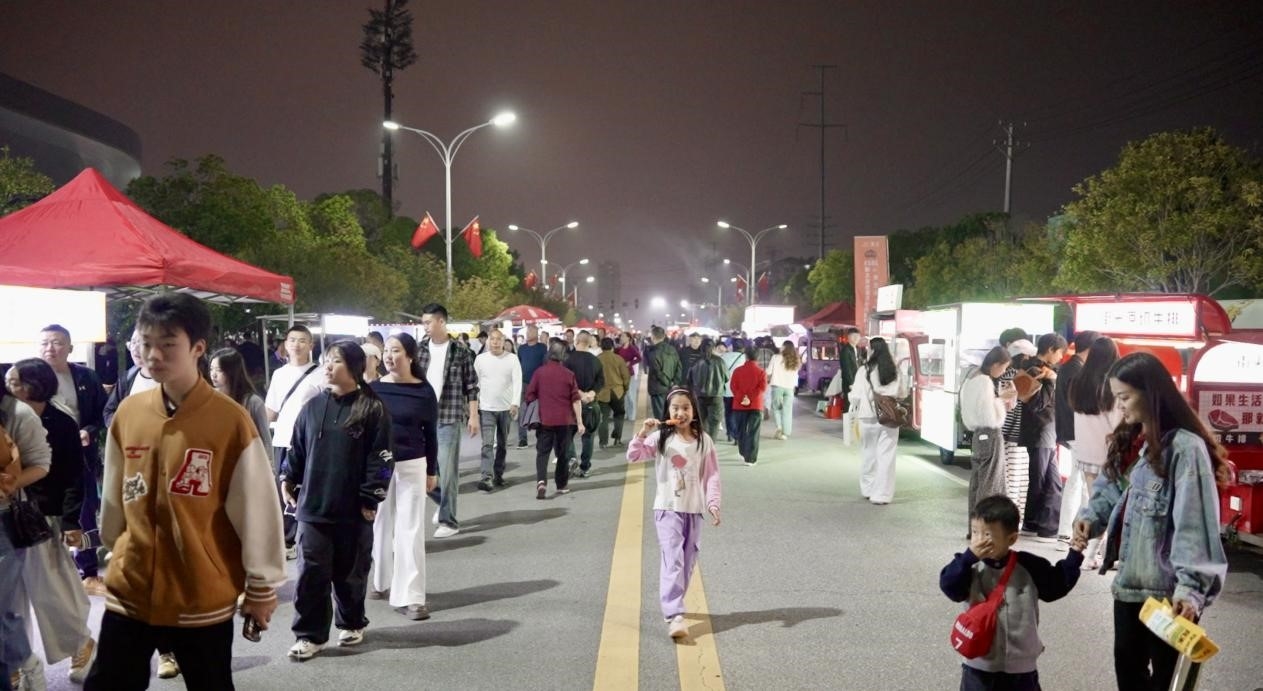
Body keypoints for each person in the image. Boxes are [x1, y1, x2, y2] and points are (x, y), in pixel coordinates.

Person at [85, 292, 285, 691]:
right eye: (146, 343)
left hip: (201, 590)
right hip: (131, 584)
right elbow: (114, 493)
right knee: (108, 683)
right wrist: (115, 545)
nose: (153, 355)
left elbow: (257, 509)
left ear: (197, 347)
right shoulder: (129, 412)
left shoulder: (230, 421)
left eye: (167, 344)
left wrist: (261, 587)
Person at [1075, 351, 1230, 690]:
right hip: (1129, 586)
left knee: (1166, 683)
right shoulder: (1130, 439)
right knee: (1129, 676)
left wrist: (1190, 590)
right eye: (1117, 397)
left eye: (1125, 397)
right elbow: (1111, 488)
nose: (1120, 406)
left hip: (1168, 594)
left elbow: (1194, 526)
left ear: (1151, 393)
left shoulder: (1185, 449)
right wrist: (1090, 518)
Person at [282, 341, 393, 661]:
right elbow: (297, 447)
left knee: (351, 572)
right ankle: (309, 635)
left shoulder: (372, 409)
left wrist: (371, 497)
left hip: (353, 509)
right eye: (326, 360)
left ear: (355, 367)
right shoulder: (313, 406)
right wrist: (288, 477)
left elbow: (383, 458)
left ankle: (352, 621)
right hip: (313, 507)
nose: (328, 366)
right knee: (310, 573)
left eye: (336, 361)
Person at [5, 360, 97, 684]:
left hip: (44, 515)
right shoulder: (7, 416)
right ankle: (15, 661)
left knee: (51, 589)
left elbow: (74, 474)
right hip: (8, 513)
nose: (7, 387)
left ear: (34, 386)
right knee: (11, 595)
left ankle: (80, 644)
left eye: (14, 382)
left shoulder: (60, 421)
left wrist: (71, 521)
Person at [940, 495, 1084, 690]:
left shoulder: (1028, 565)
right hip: (980, 664)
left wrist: (1075, 554)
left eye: (987, 535)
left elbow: (1056, 585)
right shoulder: (968, 566)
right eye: (975, 532)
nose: (979, 540)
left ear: (1012, 538)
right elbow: (950, 588)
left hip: (1021, 667)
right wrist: (967, 559)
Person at [626, 387, 721, 639]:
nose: (680, 413)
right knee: (673, 559)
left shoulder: (704, 441)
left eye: (685, 408)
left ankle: (675, 602)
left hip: (694, 509)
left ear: (694, 411)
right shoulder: (660, 438)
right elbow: (633, 456)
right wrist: (643, 433)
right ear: (668, 411)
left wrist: (713, 503)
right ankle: (674, 614)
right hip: (667, 508)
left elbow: (712, 475)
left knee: (688, 561)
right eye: (675, 408)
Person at [369, 333, 439, 621]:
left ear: (410, 356)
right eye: (386, 350)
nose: (389, 355)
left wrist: (432, 470)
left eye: (395, 350)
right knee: (381, 522)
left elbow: (431, 434)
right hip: (381, 466)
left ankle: (412, 597)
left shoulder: (424, 391)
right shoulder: (373, 389)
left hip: (413, 465)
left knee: (411, 529)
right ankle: (381, 580)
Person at [37, 324, 108, 596]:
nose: (50, 348)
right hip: (40, 457)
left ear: (70, 348)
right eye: (44, 343)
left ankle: (88, 571)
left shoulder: (86, 377)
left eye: (57, 342)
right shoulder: (29, 377)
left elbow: (102, 412)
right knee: (41, 513)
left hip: (79, 456)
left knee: (84, 511)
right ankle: (48, 571)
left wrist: (88, 431)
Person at [1, 383, 52, 689]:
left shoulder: (17, 413)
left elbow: (41, 464)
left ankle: (26, 664)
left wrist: (8, 484)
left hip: (4, 520)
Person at [416, 304, 479, 539]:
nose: (425, 327)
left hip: (448, 416)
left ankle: (449, 520)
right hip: (422, 417)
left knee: (448, 470)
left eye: (428, 322)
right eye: (423, 323)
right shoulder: (419, 349)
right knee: (422, 469)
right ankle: (443, 501)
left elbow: (471, 385)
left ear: (441, 322)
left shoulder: (459, 351)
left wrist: (473, 415)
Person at [265, 325, 326, 560]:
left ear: (311, 345)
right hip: (282, 439)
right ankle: (288, 539)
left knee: (305, 487)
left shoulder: (321, 374)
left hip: (309, 442)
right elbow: (271, 410)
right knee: (283, 489)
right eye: (292, 340)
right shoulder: (279, 374)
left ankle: (301, 537)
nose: (296, 345)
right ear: (285, 344)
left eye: (302, 340)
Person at [1062, 337, 1120, 567]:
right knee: (1111, 507)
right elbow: (1118, 423)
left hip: (1085, 454)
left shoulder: (1079, 383)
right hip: (1108, 455)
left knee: (1095, 504)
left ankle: (1087, 552)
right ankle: (1097, 554)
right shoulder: (1111, 385)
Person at [960, 347, 1017, 532]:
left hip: (977, 436)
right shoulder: (985, 381)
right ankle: (986, 530)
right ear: (995, 364)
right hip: (990, 435)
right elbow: (989, 416)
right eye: (1003, 367)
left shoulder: (971, 377)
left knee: (977, 484)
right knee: (990, 485)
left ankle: (975, 529)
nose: (1003, 371)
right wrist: (1002, 400)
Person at [848, 338, 909, 505]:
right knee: (886, 456)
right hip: (889, 417)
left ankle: (868, 489)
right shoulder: (894, 370)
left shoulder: (864, 370)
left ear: (872, 350)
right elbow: (903, 394)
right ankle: (881, 495)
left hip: (867, 417)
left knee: (868, 453)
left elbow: (855, 397)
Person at [1019, 333, 1067, 539]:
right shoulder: (1034, 370)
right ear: (1050, 350)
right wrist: (1051, 381)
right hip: (1040, 430)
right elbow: (1037, 404)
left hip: (1047, 431)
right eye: (1060, 353)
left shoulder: (1045, 369)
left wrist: (1053, 378)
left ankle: (1047, 526)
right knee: (1039, 480)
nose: (1061, 357)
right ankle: (1033, 523)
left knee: (1052, 481)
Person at [525, 341, 584, 499]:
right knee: (562, 454)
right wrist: (579, 422)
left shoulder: (539, 372)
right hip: (565, 421)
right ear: (563, 356)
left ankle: (541, 482)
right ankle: (561, 485)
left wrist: (539, 403)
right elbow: (576, 399)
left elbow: (529, 395)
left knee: (542, 453)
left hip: (545, 420)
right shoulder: (569, 374)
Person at [1053, 331, 1101, 499]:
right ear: (1091, 348)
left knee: (1077, 481)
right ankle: (1073, 517)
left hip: (1070, 430)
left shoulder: (1070, 367)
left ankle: (1074, 516)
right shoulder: (1077, 370)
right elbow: (1081, 404)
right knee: (1079, 481)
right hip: (1076, 432)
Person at [474, 329, 521, 492]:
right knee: (487, 444)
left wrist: (515, 403)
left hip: (506, 408)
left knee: (502, 444)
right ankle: (486, 477)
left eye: (498, 339)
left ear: (503, 341)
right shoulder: (480, 360)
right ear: (488, 341)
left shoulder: (512, 359)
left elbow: (517, 381)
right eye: (492, 339)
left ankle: (498, 474)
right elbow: (475, 383)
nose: (495, 342)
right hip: (486, 407)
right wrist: (474, 403)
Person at [210, 348, 273, 460]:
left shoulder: (253, 402)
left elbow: (265, 440)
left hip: (247, 461)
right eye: (211, 369)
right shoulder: (210, 399)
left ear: (232, 371)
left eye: (219, 370)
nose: (213, 374)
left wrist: (270, 468)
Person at [999, 331, 1035, 526]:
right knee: (1017, 481)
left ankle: (1013, 520)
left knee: (1012, 480)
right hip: (1017, 436)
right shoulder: (1018, 377)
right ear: (1024, 357)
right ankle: (1012, 520)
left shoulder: (1005, 376)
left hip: (1009, 435)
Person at [103, 326, 161, 429]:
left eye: (142, 343)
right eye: (133, 342)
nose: (135, 349)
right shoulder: (127, 378)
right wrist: (120, 428)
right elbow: (109, 411)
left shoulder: (173, 381)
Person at [564, 333, 604, 478]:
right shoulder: (596, 360)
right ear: (589, 343)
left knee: (567, 435)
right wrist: (591, 393)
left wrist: (579, 393)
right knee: (588, 437)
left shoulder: (567, 360)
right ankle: (585, 467)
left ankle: (572, 459)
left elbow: (566, 381)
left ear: (576, 341)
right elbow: (601, 381)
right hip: (591, 403)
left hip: (571, 404)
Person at [729, 346, 767, 467]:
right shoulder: (761, 372)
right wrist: (750, 398)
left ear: (746, 356)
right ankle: (750, 459)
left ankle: (742, 452)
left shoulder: (737, 371)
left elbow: (733, 387)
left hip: (739, 405)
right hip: (756, 405)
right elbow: (762, 388)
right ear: (758, 357)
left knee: (741, 430)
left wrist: (742, 398)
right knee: (753, 431)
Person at [686, 339, 728, 442]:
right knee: (714, 423)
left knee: (701, 422)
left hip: (700, 396)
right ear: (714, 348)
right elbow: (726, 377)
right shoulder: (720, 361)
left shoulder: (695, 362)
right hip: (716, 396)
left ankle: (703, 443)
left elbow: (689, 380)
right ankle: (711, 443)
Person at [516, 325, 548, 449]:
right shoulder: (522, 348)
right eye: (527, 331)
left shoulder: (542, 348)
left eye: (531, 331)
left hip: (538, 384)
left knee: (539, 411)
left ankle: (540, 436)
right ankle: (522, 439)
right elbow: (519, 364)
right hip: (524, 383)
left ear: (536, 333)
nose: (528, 333)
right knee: (522, 410)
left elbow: (545, 365)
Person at [596, 337, 631, 449]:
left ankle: (603, 442)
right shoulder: (619, 359)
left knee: (603, 418)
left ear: (601, 346)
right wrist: (625, 388)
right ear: (612, 347)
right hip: (618, 391)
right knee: (619, 415)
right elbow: (626, 376)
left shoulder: (597, 359)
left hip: (602, 393)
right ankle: (617, 439)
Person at [766, 340, 802, 440]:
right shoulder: (796, 360)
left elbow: (768, 372)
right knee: (787, 410)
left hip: (777, 386)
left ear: (785, 347)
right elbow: (796, 375)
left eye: (782, 346)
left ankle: (779, 428)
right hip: (790, 388)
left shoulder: (775, 357)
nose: (780, 348)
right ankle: (786, 433)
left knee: (777, 408)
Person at [645, 326, 682, 421]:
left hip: (658, 388)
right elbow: (679, 366)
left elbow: (657, 372)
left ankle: (663, 430)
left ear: (653, 337)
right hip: (671, 388)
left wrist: (667, 382)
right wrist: (674, 383)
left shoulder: (653, 352)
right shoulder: (672, 349)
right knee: (670, 413)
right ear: (664, 336)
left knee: (660, 417)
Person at [717, 340, 744, 443]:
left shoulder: (724, 356)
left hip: (726, 389)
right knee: (737, 413)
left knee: (728, 412)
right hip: (739, 390)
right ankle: (736, 435)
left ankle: (729, 433)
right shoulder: (744, 358)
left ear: (732, 347)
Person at [616, 332, 642, 421]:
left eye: (623, 336)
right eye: (621, 336)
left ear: (628, 338)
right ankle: (625, 414)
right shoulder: (619, 349)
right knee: (624, 396)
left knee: (630, 395)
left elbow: (639, 358)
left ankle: (632, 415)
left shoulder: (632, 348)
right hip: (620, 374)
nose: (621, 338)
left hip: (629, 374)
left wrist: (630, 363)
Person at [838, 327, 864, 410]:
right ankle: (847, 417)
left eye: (858, 336)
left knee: (856, 404)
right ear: (848, 337)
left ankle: (854, 418)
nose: (856, 338)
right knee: (849, 403)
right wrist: (851, 383)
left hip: (858, 380)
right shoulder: (845, 350)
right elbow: (846, 368)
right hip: (849, 382)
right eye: (853, 336)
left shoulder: (858, 349)